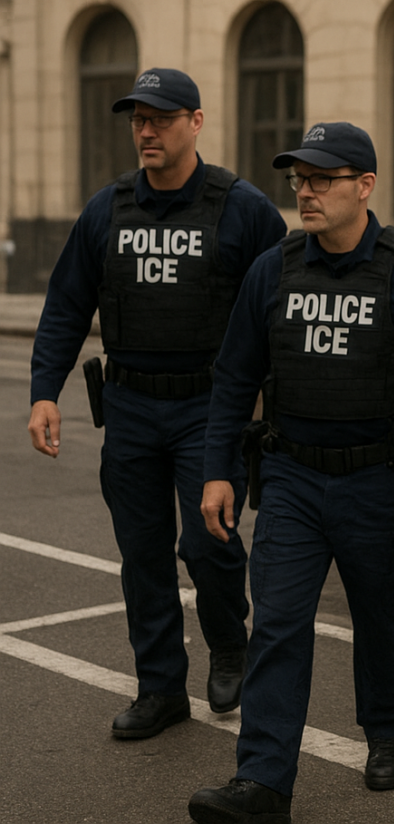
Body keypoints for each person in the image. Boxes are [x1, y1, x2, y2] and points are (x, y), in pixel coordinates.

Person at [187, 122, 394, 823]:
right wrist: (217, 470)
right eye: (300, 180)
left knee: (382, 620)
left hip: (384, 479)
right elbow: (234, 378)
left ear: (365, 186)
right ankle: (261, 782)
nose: (306, 192)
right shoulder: (275, 269)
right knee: (280, 623)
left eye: (323, 179)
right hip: (290, 476)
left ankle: (386, 730)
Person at [27, 68, 287, 739]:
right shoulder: (106, 210)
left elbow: (278, 311)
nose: (146, 130)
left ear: (195, 122)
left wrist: (270, 407)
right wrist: (43, 394)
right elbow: (65, 307)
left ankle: (230, 644)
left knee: (208, 541)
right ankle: (160, 686)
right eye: (137, 119)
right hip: (133, 406)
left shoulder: (243, 208)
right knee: (142, 554)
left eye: (160, 118)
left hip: (212, 407)